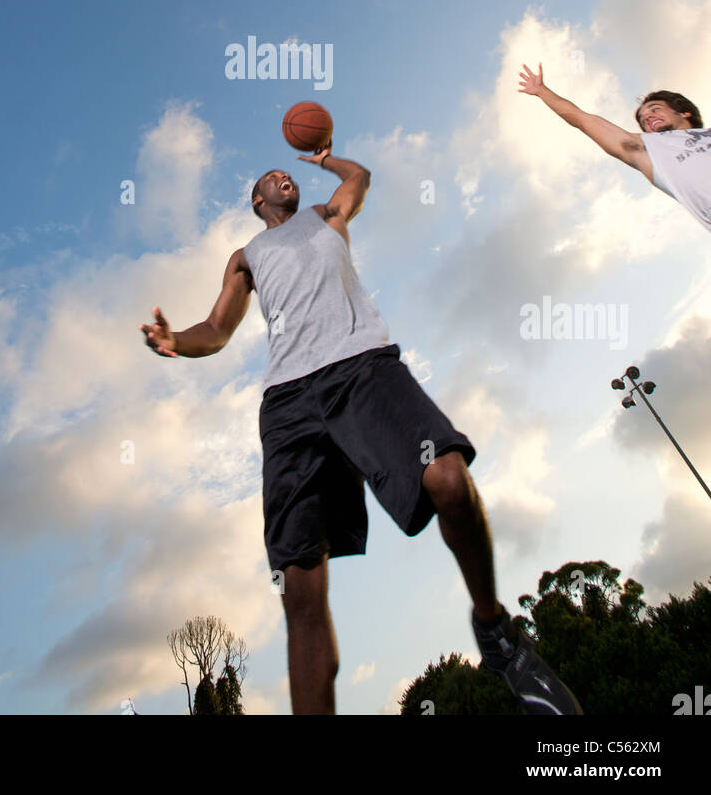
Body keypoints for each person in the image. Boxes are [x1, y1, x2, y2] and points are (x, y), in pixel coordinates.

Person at [142, 142, 582, 716]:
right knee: (299, 586)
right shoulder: (245, 255)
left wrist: (324, 158)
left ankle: (497, 633)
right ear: (256, 201)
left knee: (447, 478)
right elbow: (218, 327)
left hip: (361, 368)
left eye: (286, 173)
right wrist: (177, 342)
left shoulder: (327, 216)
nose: (282, 176)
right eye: (271, 177)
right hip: (288, 404)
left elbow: (362, 176)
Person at [518, 65, 710, 233]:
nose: (648, 118)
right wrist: (542, 92)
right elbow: (582, 119)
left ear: (684, 112)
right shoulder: (649, 150)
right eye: (643, 120)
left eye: (655, 109)